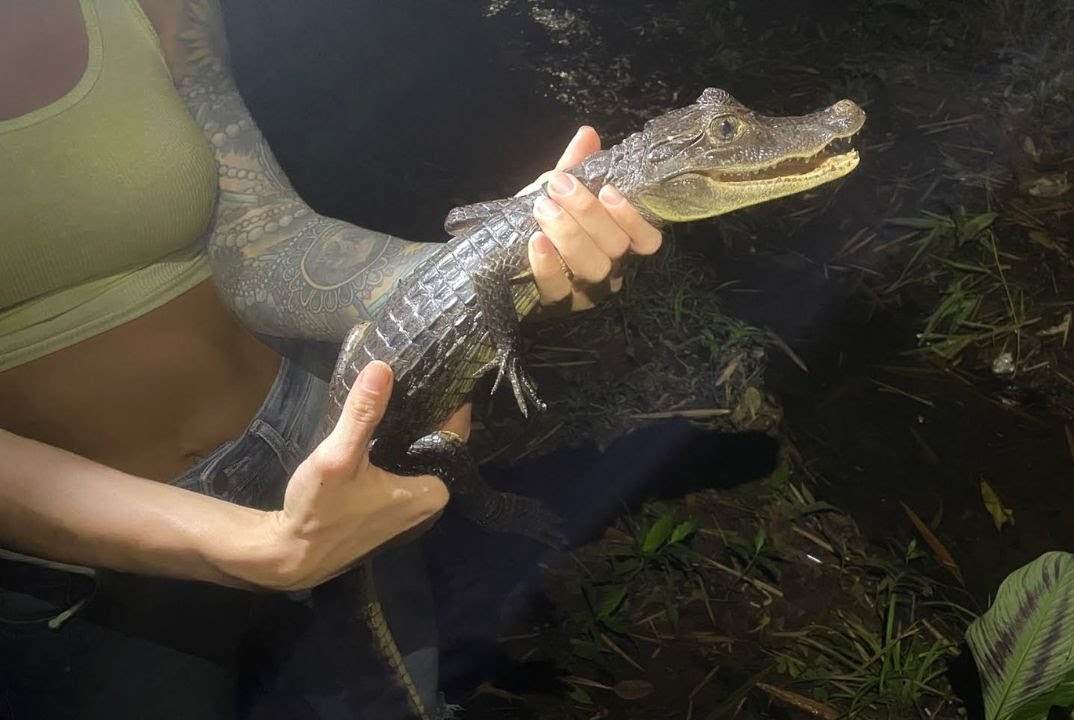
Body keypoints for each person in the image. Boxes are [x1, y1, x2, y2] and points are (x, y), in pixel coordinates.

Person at [0, 0, 663, 717]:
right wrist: (256, 547)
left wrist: (492, 263)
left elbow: (262, 237)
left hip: (319, 444)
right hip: (85, 562)